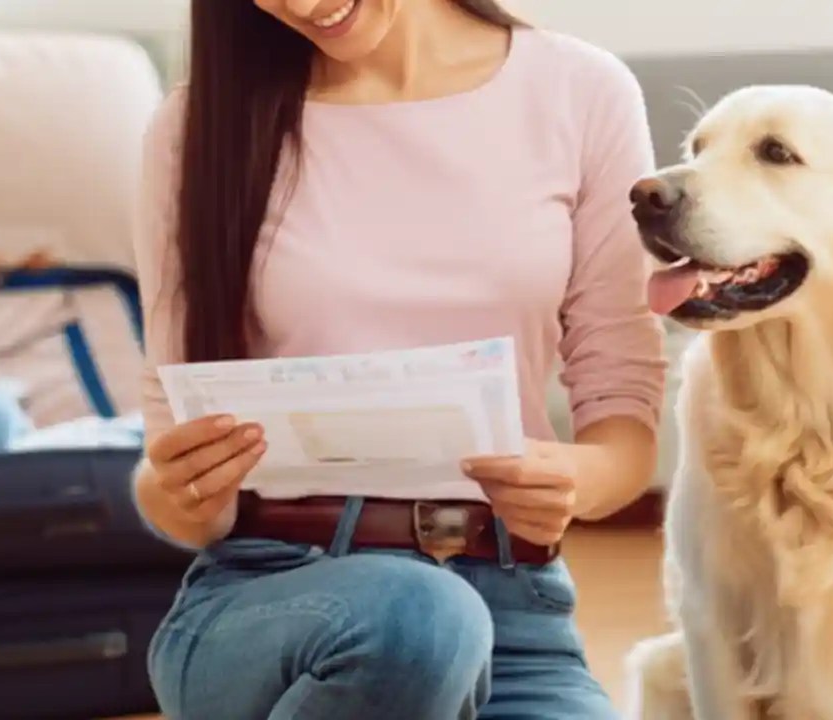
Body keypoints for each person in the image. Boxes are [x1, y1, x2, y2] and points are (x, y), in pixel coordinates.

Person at [130, 0, 667, 717]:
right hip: (275, 601)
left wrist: (576, 477)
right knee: (421, 619)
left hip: (516, 612)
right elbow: (168, 444)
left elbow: (623, 418)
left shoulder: (581, 91)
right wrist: (173, 492)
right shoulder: (199, 124)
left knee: (437, 617)